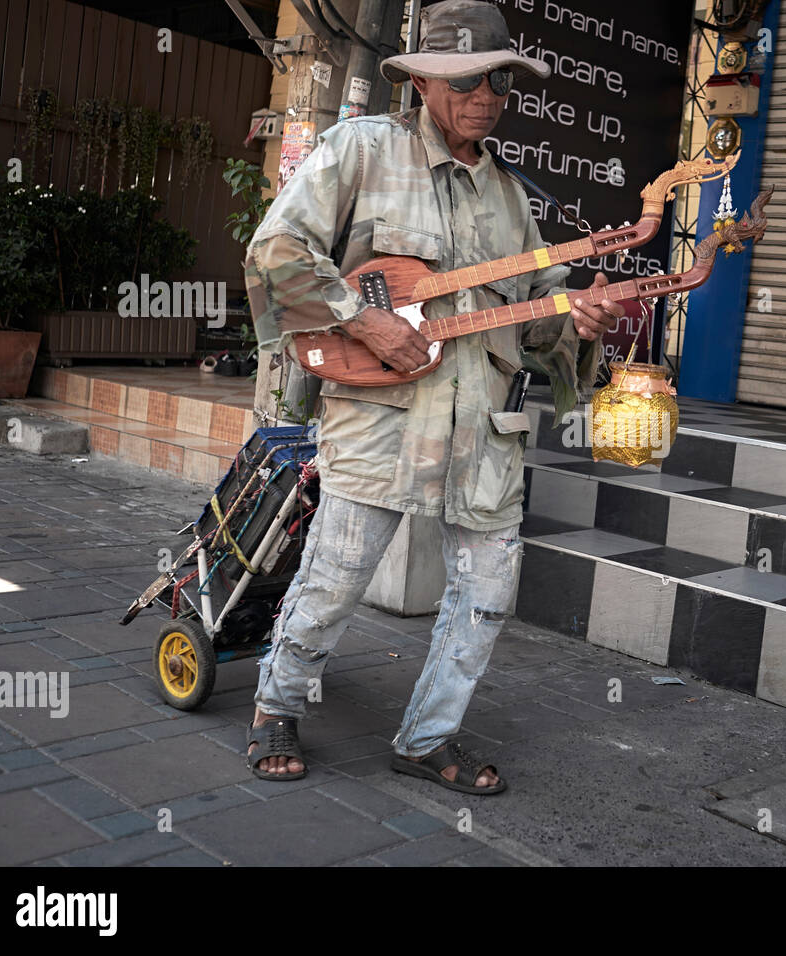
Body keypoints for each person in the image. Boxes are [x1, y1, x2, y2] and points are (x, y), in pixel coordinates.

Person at [241, 0, 621, 793]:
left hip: (486, 425)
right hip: (381, 418)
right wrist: (366, 322)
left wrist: (579, 317)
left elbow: (533, 315)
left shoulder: (512, 199)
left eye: (499, 83)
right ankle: (276, 704)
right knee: (335, 579)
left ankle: (428, 735)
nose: (485, 97)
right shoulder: (361, 150)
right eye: (466, 80)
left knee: (486, 597)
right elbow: (277, 252)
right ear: (421, 81)